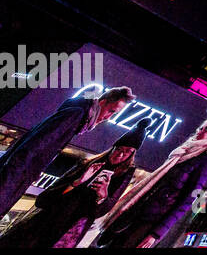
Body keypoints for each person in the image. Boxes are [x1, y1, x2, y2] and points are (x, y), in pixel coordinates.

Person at [0, 118, 148, 249]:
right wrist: (78, 182)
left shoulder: (123, 177)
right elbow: (44, 199)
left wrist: (102, 196)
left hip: (69, 231)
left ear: (131, 155)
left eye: (127, 152)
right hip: (44, 223)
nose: (121, 154)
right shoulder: (87, 164)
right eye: (119, 149)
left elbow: (100, 211)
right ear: (113, 148)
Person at [90, 115, 207, 249]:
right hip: (138, 209)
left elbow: (189, 198)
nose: (202, 131)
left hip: (151, 220)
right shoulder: (183, 151)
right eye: (202, 128)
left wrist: (156, 233)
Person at [0, 86, 134, 219]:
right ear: (102, 102)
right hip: (15, 176)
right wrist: (12, 180)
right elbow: (36, 144)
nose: (108, 117)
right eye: (111, 111)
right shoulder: (77, 114)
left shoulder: (78, 114)